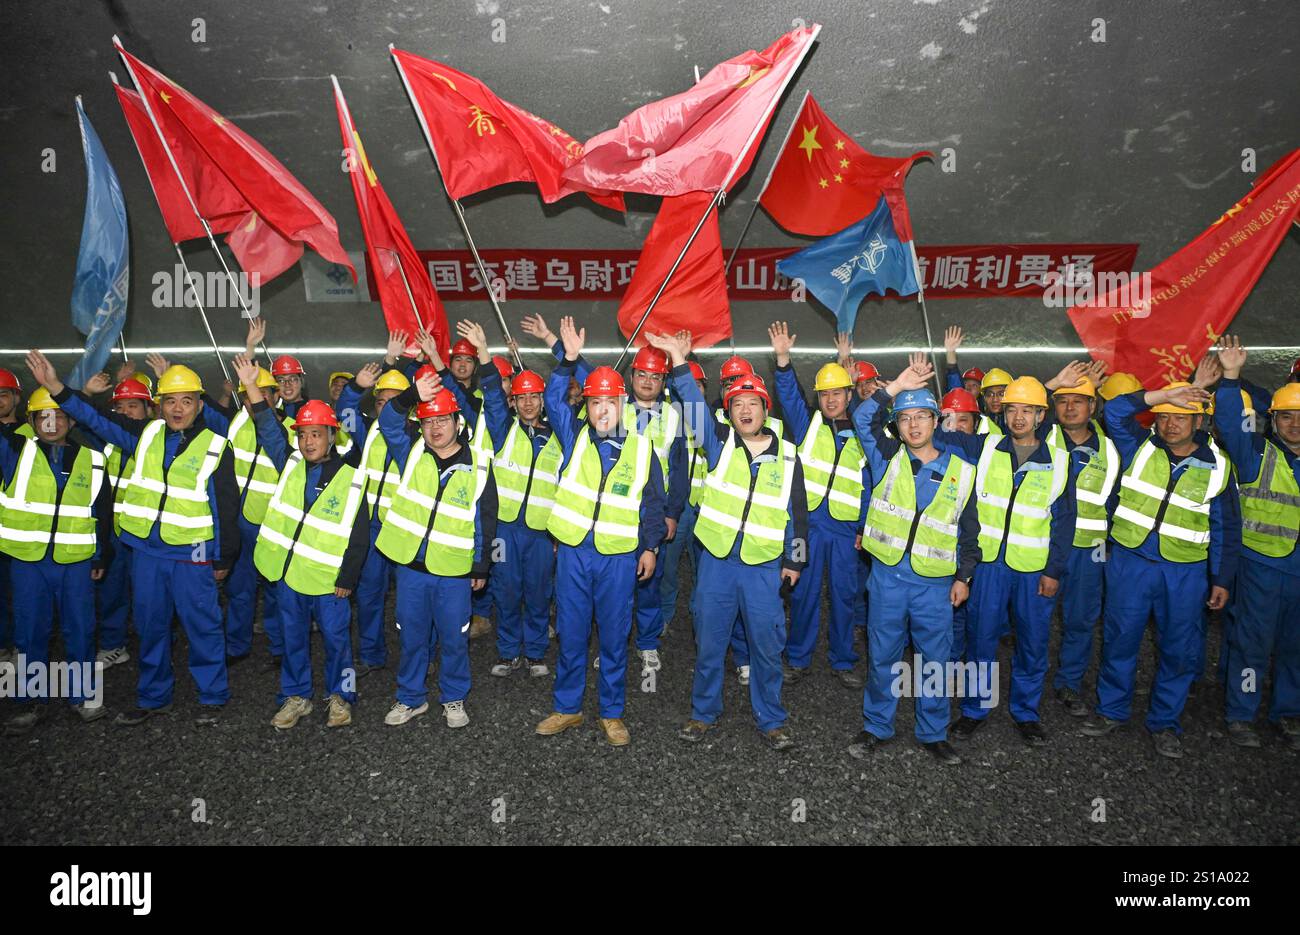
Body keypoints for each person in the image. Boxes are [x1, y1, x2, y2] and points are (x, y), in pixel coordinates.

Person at [27, 351, 238, 726]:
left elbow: (224, 508)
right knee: (150, 625)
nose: (177, 409)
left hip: (192, 554)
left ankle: (213, 696)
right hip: (146, 552)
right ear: (158, 405)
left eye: (186, 401)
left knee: (202, 625)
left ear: (198, 405)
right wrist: (56, 387)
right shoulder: (145, 434)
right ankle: (154, 696)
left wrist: (221, 558)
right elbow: (94, 417)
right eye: (170, 401)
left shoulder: (217, 446)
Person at [647, 329, 808, 751]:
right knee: (710, 644)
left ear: (764, 410)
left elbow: (798, 516)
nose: (745, 410)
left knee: (767, 646)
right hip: (717, 563)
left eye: (752, 403)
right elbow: (696, 410)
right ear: (730, 412)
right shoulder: (719, 445)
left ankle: (771, 719)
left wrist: (795, 562)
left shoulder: (789, 457)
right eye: (737, 404)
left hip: (762, 567)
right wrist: (680, 362)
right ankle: (703, 713)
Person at [1081, 380, 1241, 759]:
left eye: (1181, 417)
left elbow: (1226, 528)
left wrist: (1220, 579)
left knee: (1178, 649)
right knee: (1120, 639)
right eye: (1165, 416)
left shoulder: (1219, 466)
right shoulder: (1138, 446)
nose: (1170, 424)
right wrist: (1160, 396)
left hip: (1184, 571)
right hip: (1130, 563)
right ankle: (1112, 710)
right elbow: (1115, 411)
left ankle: (1165, 722)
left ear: (1199, 421)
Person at [534, 317, 665, 747]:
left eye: (609, 403)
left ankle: (611, 713)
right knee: (571, 632)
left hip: (618, 557)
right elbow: (554, 400)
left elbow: (652, 504)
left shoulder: (644, 450)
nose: (602, 410)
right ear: (586, 407)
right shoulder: (573, 438)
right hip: (573, 553)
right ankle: (568, 708)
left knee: (612, 635)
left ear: (622, 405)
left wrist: (650, 549)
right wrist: (567, 359)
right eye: (594, 403)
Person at [849, 360, 979, 765]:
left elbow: (969, 530)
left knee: (934, 660)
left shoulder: (961, 471)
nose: (914, 426)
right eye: (904, 419)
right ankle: (876, 727)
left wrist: (965, 576)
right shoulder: (885, 456)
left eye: (922, 416)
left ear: (936, 421)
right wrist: (895, 388)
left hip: (935, 584)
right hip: (888, 577)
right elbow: (862, 416)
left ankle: (934, 732)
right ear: (898, 425)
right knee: (884, 655)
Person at [234, 355, 370, 729]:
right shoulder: (290, 463)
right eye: (303, 434)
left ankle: (342, 697)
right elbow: (267, 427)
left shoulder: (351, 478)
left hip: (329, 581)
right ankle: (296, 697)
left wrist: (347, 579)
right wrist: (251, 387)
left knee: (337, 641)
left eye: (316, 434)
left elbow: (359, 538)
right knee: (292, 639)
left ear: (332, 437)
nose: (308, 441)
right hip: (288, 575)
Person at [939, 372, 1074, 746]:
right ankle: (974, 709)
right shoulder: (985, 448)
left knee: (1032, 642)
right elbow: (938, 436)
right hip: (989, 567)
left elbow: (1065, 522)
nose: (1018, 417)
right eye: (1012, 409)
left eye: (1028, 410)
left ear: (1040, 416)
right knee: (980, 640)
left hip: (1034, 571)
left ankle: (1026, 713)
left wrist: (1054, 571)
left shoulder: (1061, 462)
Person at [374, 367, 498, 729]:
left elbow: (484, 520)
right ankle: (411, 698)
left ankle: (454, 698)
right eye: (428, 421)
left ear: (458, 422)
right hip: (411, 567)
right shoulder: (411, 452)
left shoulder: (479, 465)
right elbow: (388, 421)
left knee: (455, 638)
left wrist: (480, 567)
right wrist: (413, 395)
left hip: (454, 572)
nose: (435, 428)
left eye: (443, 419)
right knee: (411, 636)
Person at [0, 386, 114, 733]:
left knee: (81, 629)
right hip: (28, 561)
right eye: (43, 417)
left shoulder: (93, 459)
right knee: (29, 630)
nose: (51, 422)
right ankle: (29, 701)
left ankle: (82, 696)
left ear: (70, 419)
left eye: (59, 415)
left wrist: (100, 556)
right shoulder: (13, 451)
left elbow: (102, 512)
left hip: (75, 560)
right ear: (30, 421)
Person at [769, 321, 867, 688]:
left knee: (844, 594)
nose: (830, 400)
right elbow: (790, 395)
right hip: (806, 526)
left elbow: (872, 485)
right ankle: (797, 657)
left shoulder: (864, 433)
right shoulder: (807, 424)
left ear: (848, 394)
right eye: (824, 394)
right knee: (804, 593)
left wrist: (863, 527)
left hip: (844, 528)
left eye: (837, 393)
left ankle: (843, 660)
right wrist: (782, 360)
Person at [1213, 336, 1299, 749]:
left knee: (1295, 647)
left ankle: (1288, 712)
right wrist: (1230, 378)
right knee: (1252, 642)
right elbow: (1230, 426)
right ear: (1272, 419)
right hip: (1262, 566)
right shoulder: (1257, 455)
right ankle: (1241, 713)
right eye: (1286, 417)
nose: (1294, 424)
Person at [465, 319, 561, 679]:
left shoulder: (557, 437)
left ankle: (535, 652)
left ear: (542, 399)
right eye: (522, 397)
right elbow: (490, 393)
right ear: (515, 401)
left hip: (540, 533)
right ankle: (508, 652)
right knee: (506, 590)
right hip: (504, 530)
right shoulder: (502, 429)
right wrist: (484, 351)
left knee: (538, 592)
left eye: (535, 396)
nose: (529, 403)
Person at [334, 335, 413, 679]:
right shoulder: (366, 434)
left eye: (395, 401)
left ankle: (415, 654)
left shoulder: (420, 437)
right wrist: (355, 387)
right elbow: (345, 411)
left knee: (411, 599)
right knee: (369, 594)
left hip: (404, 528)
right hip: (370, 527)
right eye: (381, 401)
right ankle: (371, 653)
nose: (387, 408)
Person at [1045, 375, 1121, 718]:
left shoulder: (1111, 451)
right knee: (1035, 618)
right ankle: (1029, 682)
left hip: (1090, 550)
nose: (1070, 407)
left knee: (1080, 619)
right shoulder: (1041, 439)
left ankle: (1068, 683)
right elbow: (1010, 417)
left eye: (1079, 400)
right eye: (1062, 400)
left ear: (1093, 406)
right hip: (1043, 545)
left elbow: (1117, 502)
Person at [91, 375, 156, 670]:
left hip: (145, 533)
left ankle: (154, 644)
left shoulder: (154, 446)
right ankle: (114, 644)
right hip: (115, 532)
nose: (127, 412)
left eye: (133, 406)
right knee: (112, 590)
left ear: (148, 410)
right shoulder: (106, 444)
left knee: (149, 596)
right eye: (120, 408)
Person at [223, 364, 284, 666]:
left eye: (260, 394)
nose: (252, 400)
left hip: (271, 526)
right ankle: (236, 645)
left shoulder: (289, 431)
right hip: (242, 523)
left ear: (274, 396)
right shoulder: (236, 425)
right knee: (240, 588)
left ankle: (278, 647)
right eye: (246, 396)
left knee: (274, 590)